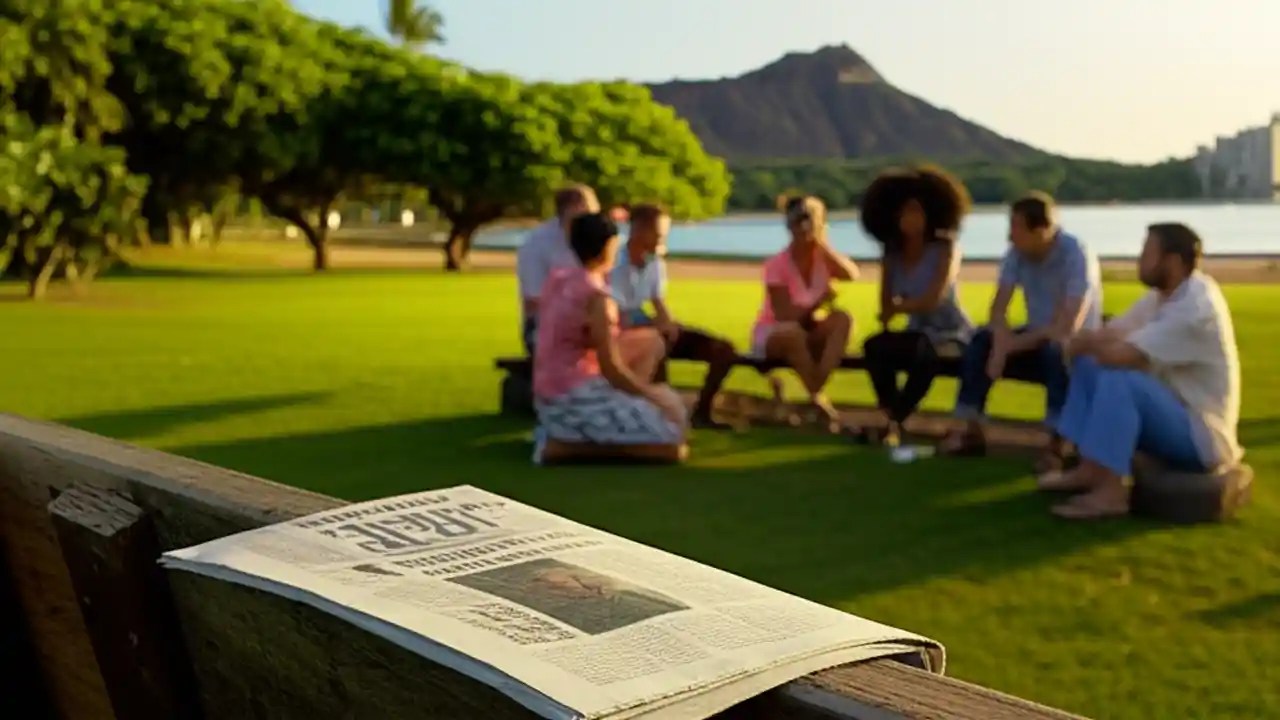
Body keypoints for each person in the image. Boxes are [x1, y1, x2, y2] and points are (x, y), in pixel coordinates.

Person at [1039, 223, 1241, 520]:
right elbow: (1113, 331)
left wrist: (1081, 343)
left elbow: (1120, 354)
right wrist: (1083, 343)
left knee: (1120, 377)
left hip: (1202, 438)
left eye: (1147, 253)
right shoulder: (1164, 296)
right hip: (1173, 415)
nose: (1139, 260)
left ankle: (1112, 494)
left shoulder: (1195, 308)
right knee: (1091, 362)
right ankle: (1089, 469)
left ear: (1171, 262)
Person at [940, 191, 1103, 469]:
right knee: (981, 340)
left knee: (1056, 351)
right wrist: (1001, 341)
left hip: (1075, 343)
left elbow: (1066, 327)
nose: (1010, 235)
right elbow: (998, 310)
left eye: (1016, 227)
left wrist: (1008, 347)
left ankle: (1058, 442)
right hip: (1035, 336)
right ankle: (969, 428)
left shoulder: (1075, 255)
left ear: (1042, 230)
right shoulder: (1016, 253)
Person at [531, 212, 688, 463]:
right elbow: (611, 368)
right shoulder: (597, 298)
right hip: (574, 396)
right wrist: (650, 395)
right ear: (608, 247)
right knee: (673, 440)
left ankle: (575, 434)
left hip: (547, 395)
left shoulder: (558, 279)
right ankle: (562, 447)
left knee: (649, 346)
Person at [857, 166, 975, 446]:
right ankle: (890, 412)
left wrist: (899, 307)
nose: (910, 218)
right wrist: (897, 309)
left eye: (916, 210)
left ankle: (893, 421)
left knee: (925, 353)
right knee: (875, 347)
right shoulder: (892, 253)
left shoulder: (946, 248)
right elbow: (885, 308)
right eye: (904, 211)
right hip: (916, 331)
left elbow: (933, 299)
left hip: (951, 333)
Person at [609, 204, 739, 430]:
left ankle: (701, 412)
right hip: (625, 334)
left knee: (723, 349)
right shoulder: (612, 263)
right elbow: (617, 315)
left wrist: (668, 324)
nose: (664, 240)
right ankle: (662, 414)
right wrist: (656, 328)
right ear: (638, 230)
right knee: (656, 344)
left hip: (648, 326)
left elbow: (658, 301)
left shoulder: (654, 262)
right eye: (659, 234)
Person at [751, 195, 860, 429]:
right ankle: (818, 398)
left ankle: (813, 391)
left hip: (810, 329)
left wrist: (821, 243)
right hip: (776, 332)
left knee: (842, 319)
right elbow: (784, 316)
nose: (803, 226)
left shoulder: (823, 259)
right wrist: (821, 299)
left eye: (809, 219)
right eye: (799, 220)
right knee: (793, 333)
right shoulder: (776, 265)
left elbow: (851, 274)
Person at [515, 185, 600, 355]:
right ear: (567, 212)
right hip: (545, 327)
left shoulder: (598, 238)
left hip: (593, 322)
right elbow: (535, 301)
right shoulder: (537, 244)